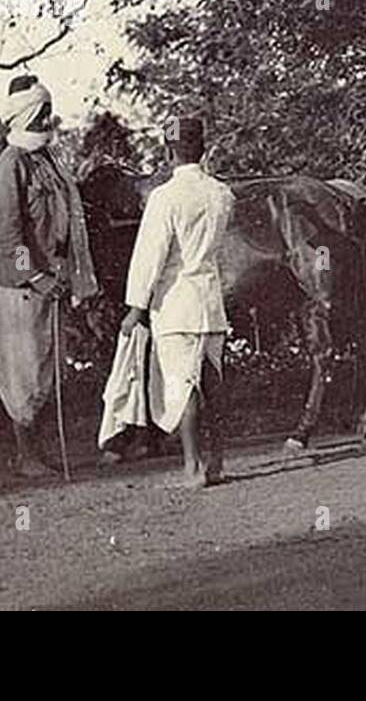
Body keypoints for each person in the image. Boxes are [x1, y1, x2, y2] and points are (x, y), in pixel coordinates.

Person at [0, 75, 99, 476]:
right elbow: (6, 235)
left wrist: (62, 271)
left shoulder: (46, 160)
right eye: (44, 113)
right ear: (29, 114)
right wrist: (36, 278)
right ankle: (26, 455)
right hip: (21, 287)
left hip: (50, 280)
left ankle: (39, 450)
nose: (51, 120)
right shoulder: (10, 166)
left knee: (47, 367)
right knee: (24, 369)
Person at [121, 117, 235, 490]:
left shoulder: (164, 198)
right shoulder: (222, 194)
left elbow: (149, 256)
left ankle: (192, 466)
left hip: (175, 304)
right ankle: (216, 461)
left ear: (170, 152)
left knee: (181, 384)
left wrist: (136, 306)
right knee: (212, 379)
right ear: (201, 149)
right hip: (210, 300)